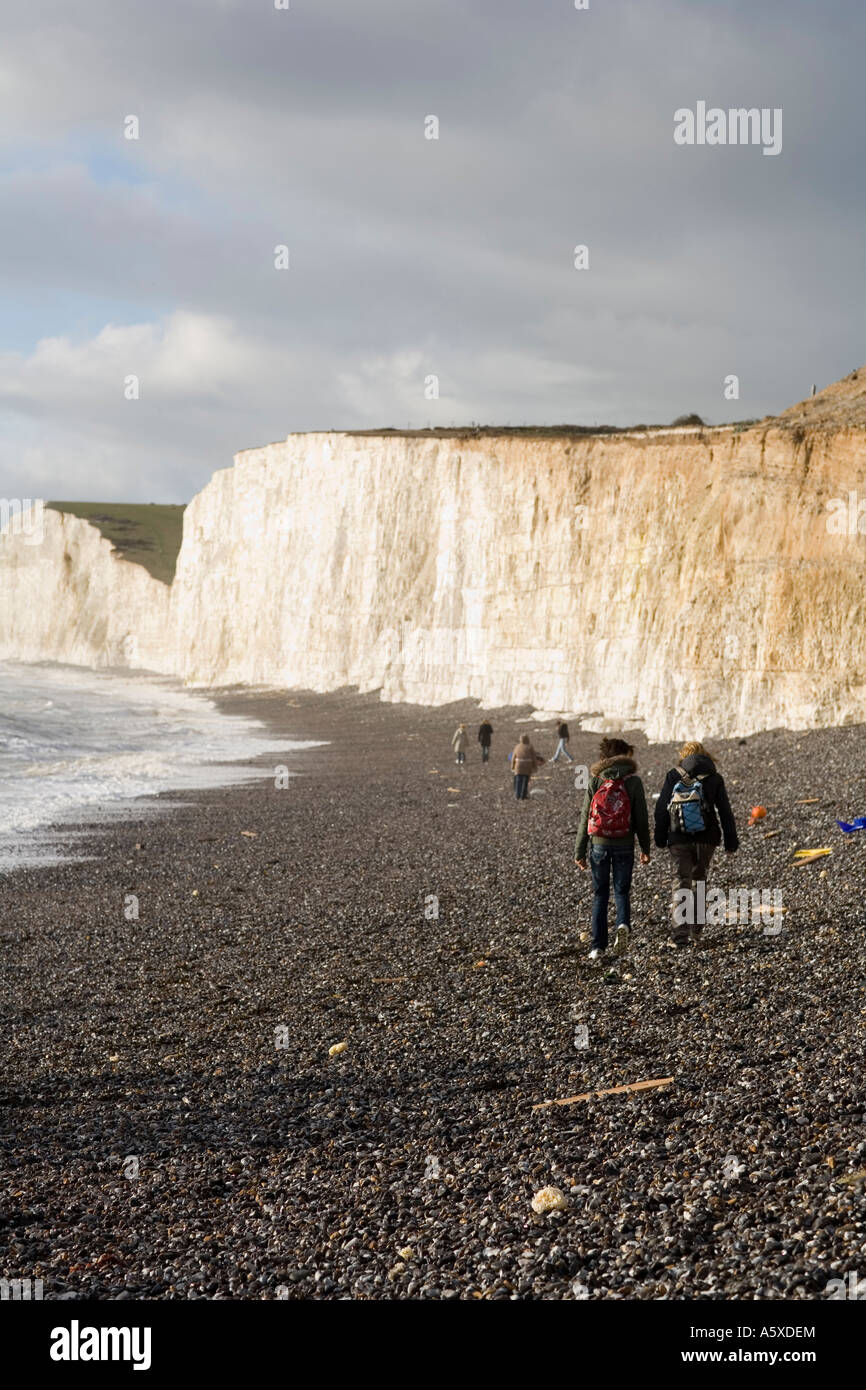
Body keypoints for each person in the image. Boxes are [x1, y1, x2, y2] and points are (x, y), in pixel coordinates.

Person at [654, 741, 738, 948]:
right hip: (706, 838)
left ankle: (679, 935)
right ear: (705, 756)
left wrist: (660, 837)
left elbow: (661, 808)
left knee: (681, 881)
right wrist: (731, 840)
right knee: (699, 880)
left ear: (684, 756)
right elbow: (725, 812)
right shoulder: (715, 777)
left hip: (678, 837)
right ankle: (696, 930)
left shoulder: (673, 775)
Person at [575, 737, 651, 961]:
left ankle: (598, 947)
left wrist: (579, 851)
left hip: (598, 844)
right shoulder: (633, 781)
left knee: (599, 894)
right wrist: (645, 847)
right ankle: (622, 925)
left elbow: (584, 818)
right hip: (624, 844)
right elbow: (641, 817)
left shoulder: (596, 780)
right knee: (621, 892)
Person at [510, 733, 544, 800]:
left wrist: (512, 766)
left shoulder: (517, 746)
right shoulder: (530, 747)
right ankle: (523, 795)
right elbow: (534, 757)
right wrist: (535, 767)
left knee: (518, 781)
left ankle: (517, 795)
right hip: (527, 766)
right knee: (525, 781)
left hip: (518, 766)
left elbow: (513, 757)